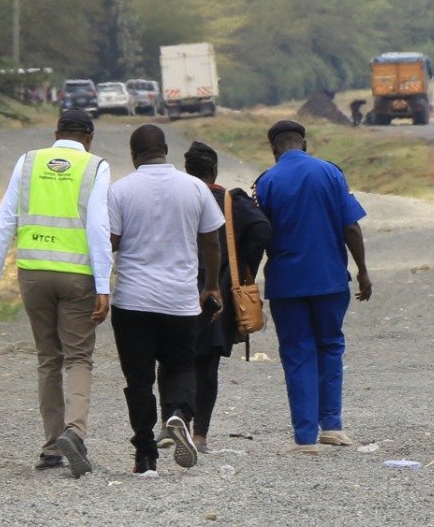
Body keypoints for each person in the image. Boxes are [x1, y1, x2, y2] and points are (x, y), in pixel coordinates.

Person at [0, 112, 112, 476]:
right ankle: (75, 433)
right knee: (78, 357)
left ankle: (52, 447)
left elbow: (5, 221)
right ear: (89, 138)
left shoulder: (28, 162)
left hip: (33, 273)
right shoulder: (95, 167)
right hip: (77, 277)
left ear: (56, 134)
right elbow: (99, 227)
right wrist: (103, 284)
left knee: (48, 358)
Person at [104, 124, 223, 477]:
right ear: (167, 150)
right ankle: (178, 413)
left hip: (132, 301)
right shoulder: (195, 188)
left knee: (139, 379)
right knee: (181, 365)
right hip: (179, 300)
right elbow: (212, 241)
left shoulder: (119, 191)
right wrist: (211, 286)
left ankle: (145, 457)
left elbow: (110, 243)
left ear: (133, 154)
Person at [251, 119, 371, 452]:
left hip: (286, 284)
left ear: (274, 148)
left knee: (297, 352)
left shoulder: (266, 182)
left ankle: (305, 437)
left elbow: (258, 234)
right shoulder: (331, 173)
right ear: (304, 142)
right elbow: (351, 227)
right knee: (330, 347)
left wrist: (247, 280)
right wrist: (362, 270)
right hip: (330, 280)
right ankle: (332, 426)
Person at [182, 140, 270, 452]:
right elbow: (262, 229)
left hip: (176, 289)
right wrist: (244, 268)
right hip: (216, 294)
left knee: (177, 361)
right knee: (207, 367)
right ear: (215, 170)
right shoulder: (231, 202)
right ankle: (199, 436)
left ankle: (176, 422)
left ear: (187, 170)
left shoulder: (178, 197)